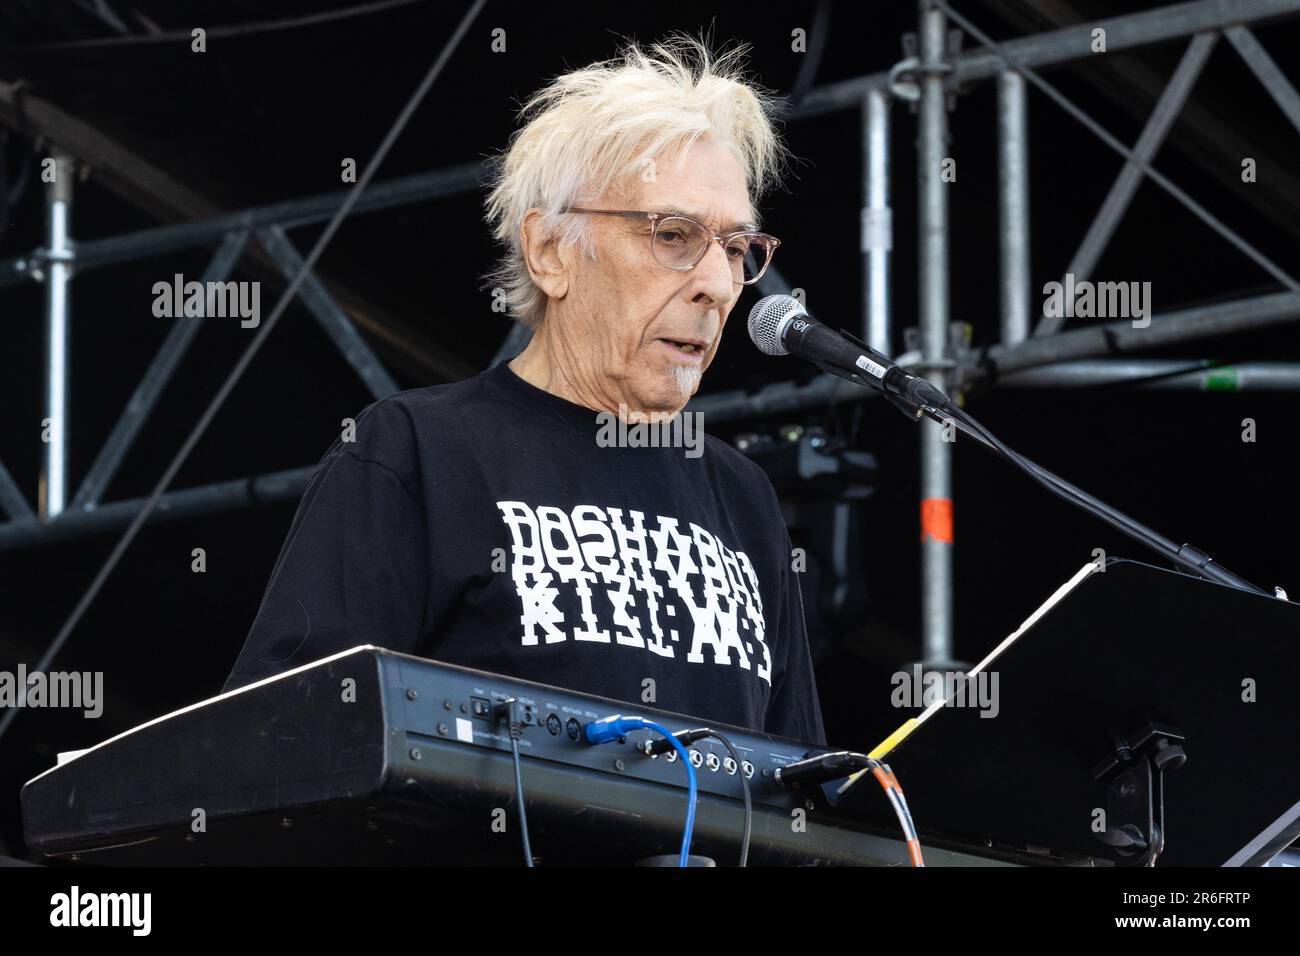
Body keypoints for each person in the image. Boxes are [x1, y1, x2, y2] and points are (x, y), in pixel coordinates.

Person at [222, 35, 826, 745]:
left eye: (734, 249)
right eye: (673, 235)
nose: (719, 284)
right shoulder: (416, 452)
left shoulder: (744, 499)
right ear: (549, 251)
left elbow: (799, 797)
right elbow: (281, 742)